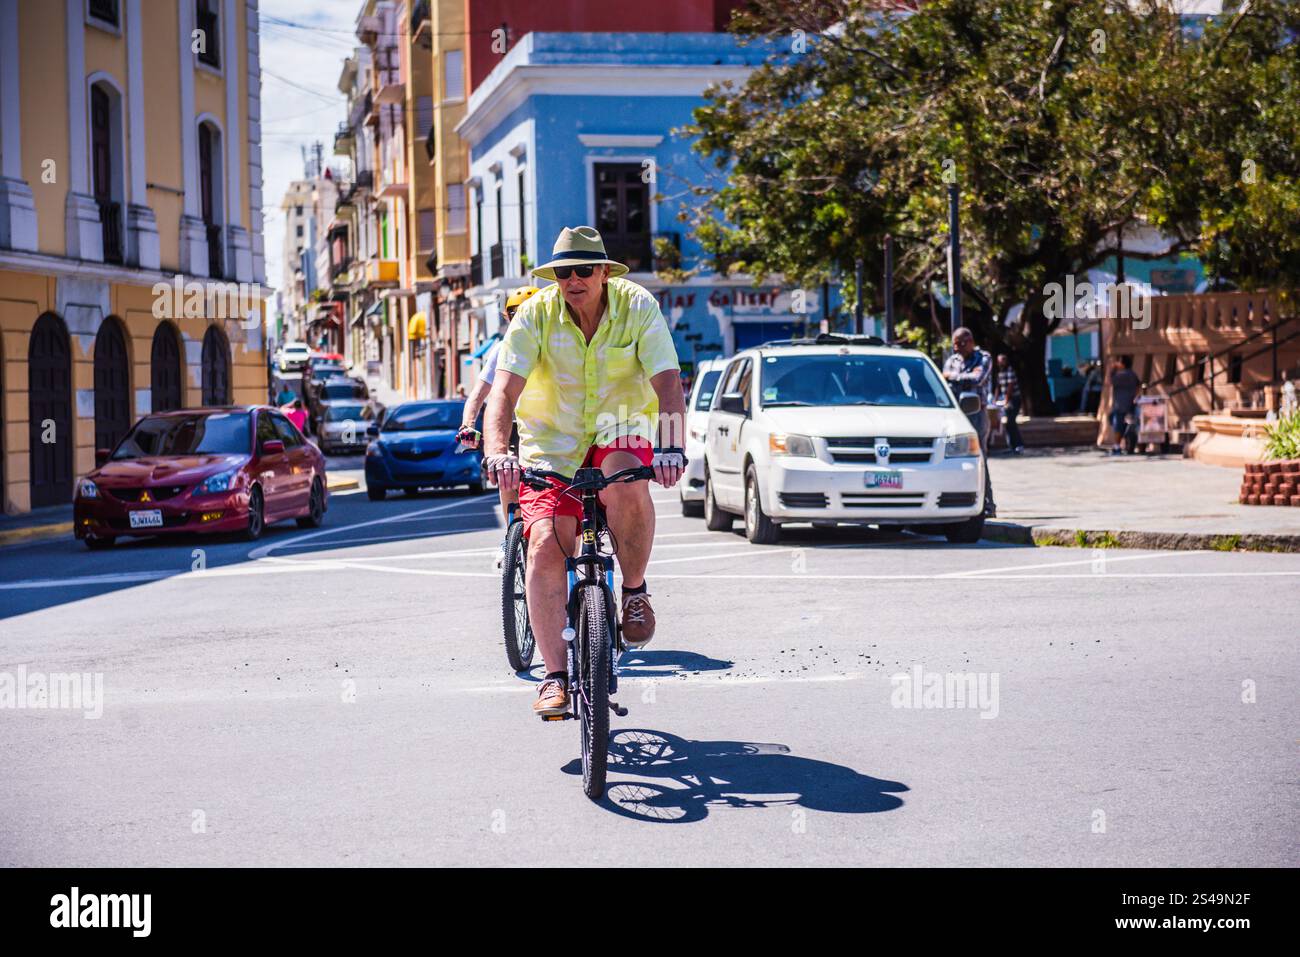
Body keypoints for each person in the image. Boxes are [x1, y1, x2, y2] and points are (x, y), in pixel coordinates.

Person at [483, 226, 686, 717]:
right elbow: (503, 394)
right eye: (563, 272)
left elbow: (668, 385)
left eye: (583, 270)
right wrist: (497, 451)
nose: (573, 279)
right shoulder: (534, 314)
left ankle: (633, 592)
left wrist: (673, 448)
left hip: (621, 425)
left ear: (602, 273)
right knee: (544, 548)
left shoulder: (638, 307)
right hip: (552, 442)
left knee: (627, 481)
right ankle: (554, 677)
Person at [457, 285, 541, 525]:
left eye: (530, 313)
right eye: (516, 314)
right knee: (508, 473)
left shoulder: (558, 343)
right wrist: (467, 425)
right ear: (508, 318)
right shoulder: (503, 349)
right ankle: (511, 533)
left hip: (546, 423)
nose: (523, 320)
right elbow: (477, 395)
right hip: (512, 425)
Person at [942, 326, 996, 516]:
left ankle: (988, 503)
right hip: (955, 417)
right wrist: (960, 378)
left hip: (977, 414)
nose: (957, 348)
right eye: (954, 344)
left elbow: (978, 379)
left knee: (980, 458)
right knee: (950, 457)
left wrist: (954, 377)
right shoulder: (952, 360)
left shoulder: (984, 358)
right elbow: (944, 380)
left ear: (970, 342)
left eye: (961, 344)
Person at [1108, 355, 1141, 454]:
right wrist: (1134, 397)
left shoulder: (1120, 375)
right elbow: (1138, 386)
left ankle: (1117, 446)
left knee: (1118, 425)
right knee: (1125, 424)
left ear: (1122, 364)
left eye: (1119, 362)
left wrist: (1113, 369)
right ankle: (1124, 444)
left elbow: (1110, 381)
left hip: (1120, 404)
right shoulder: (1132, 374)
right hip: (1130, 403)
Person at [994, 354, 1024, 454]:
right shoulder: (1000, 373)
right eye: (999, 361)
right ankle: (1012, 446)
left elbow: (1010, 386)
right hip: (1006, 400)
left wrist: (1006, 400)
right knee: (1008, 424)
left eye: (1002, 361)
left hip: (1014, 399)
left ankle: (1019, 445)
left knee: (1011, 421)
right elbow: (998, 387)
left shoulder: (1010, 370)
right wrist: (995, 399)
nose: (1000, 363)